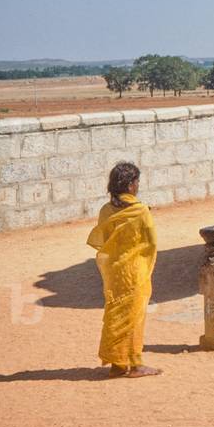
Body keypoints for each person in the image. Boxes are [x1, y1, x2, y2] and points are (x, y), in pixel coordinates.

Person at [86, 161, 161, 378]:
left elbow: (104, 240)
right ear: (130, 185)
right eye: (137, 181)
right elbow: (151, 242)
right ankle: (136, 364)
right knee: (135, 317)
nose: (138, 185)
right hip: (134, 271)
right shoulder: (140, 212)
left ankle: (117, 364)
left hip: (115, 272)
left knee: (116, 315)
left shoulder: (106, 211)